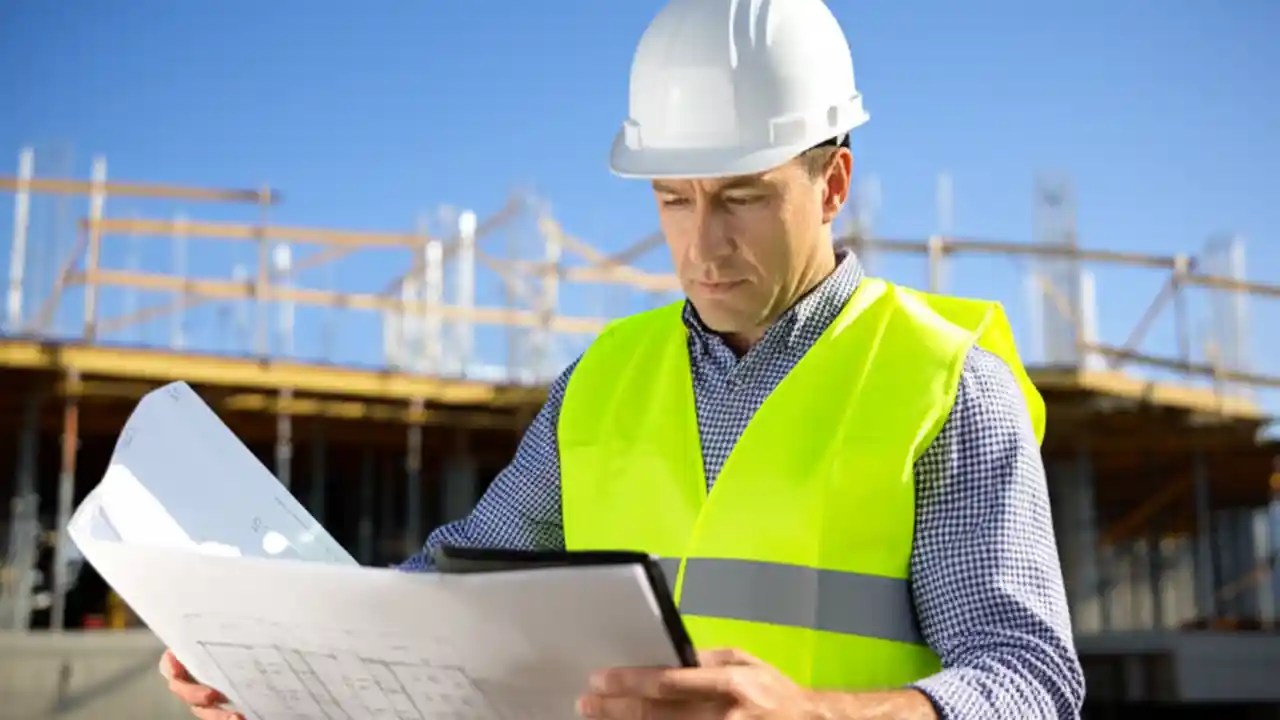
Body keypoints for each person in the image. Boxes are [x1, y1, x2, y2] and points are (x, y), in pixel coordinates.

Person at [161, 0, 1086, 717]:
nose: (702, 248)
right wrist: (277, 657)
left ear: (831, 181)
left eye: (742, 198)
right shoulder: (603, 379)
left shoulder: (946, 386)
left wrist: (817, 711)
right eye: (673, 199)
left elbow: (1032, 679)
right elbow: (447, 594)